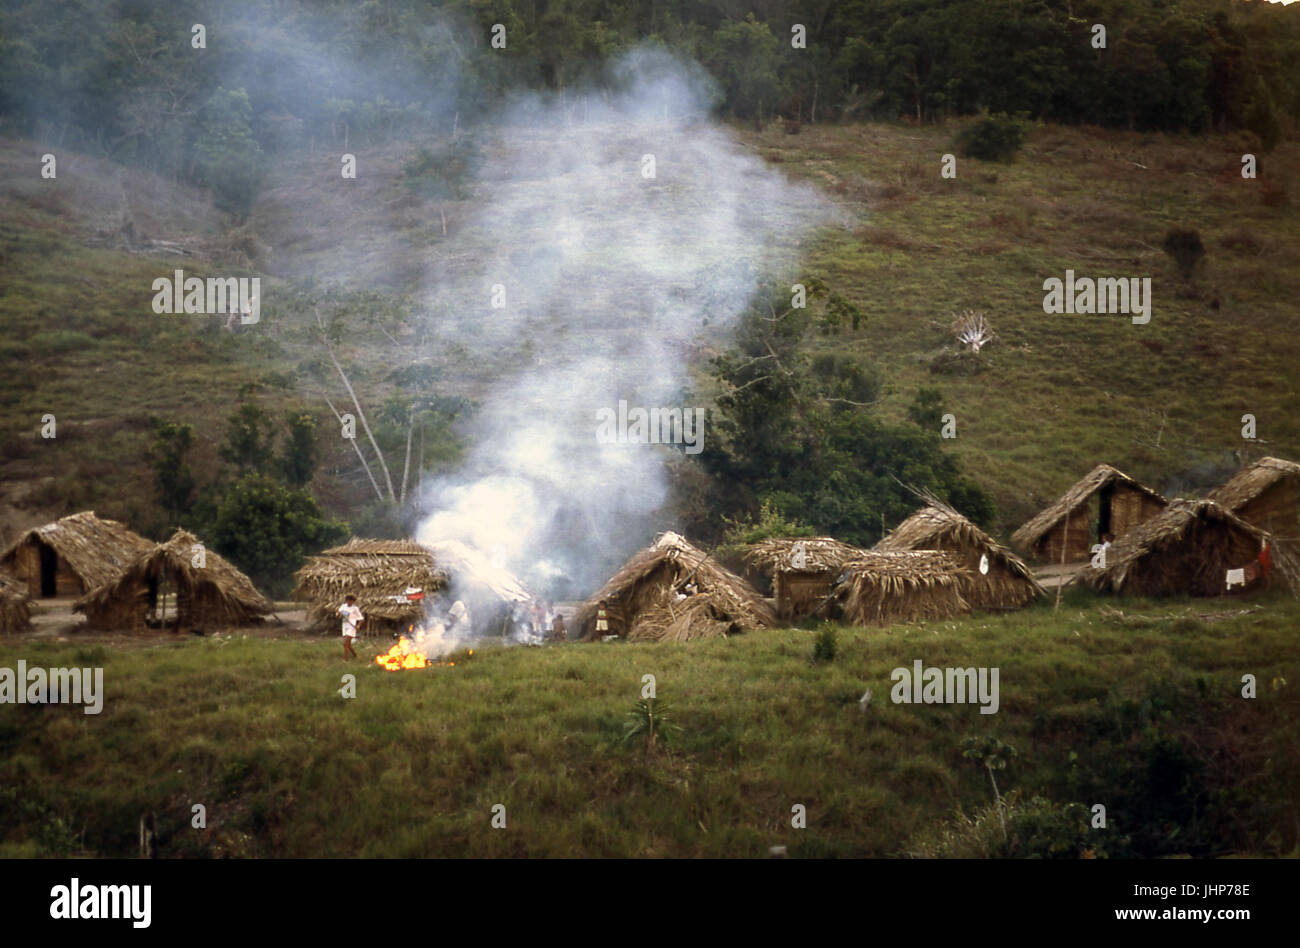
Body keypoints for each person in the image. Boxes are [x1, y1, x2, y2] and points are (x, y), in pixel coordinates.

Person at [338, 594, 363, 659]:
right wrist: (339, 614)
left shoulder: (355, 609)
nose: (350, 602)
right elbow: (338, 615)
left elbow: (361, 618)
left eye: (351, 601)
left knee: (346, 644)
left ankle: (345, 659)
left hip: (351, 627)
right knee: (348, 645)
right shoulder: (343, 606)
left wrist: (358, 625)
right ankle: (356, 656)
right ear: (346, 600)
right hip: (345, 626)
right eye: (348, 600)